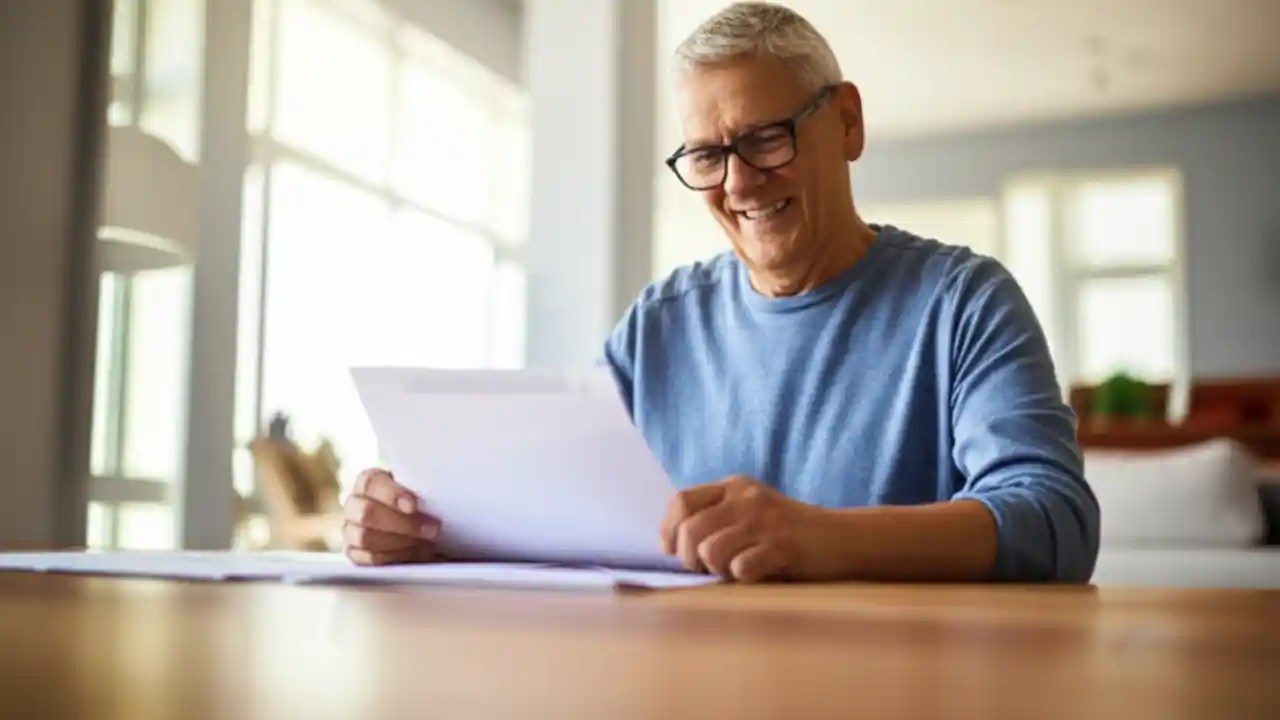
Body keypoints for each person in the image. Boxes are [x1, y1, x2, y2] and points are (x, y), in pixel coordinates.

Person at [341, 2, 1099, 582]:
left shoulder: (964, 303)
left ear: (847, 123)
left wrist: (820, 537)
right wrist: (419, 527)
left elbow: (1054, 521)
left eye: (766, 138)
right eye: (706, 155)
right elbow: (565, 521)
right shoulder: (657, 327)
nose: (737, 183)